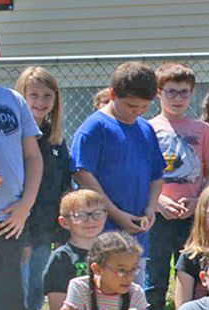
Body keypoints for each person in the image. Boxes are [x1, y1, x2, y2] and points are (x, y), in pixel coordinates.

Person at [146, 62, 209, 310]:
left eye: (184, 93)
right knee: (154, 283)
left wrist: (199, 202)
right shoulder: (148, 128)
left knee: (194, 281)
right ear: (158, 93)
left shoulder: (201, 130)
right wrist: (159, 202)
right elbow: (141, 174)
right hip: (158, 217)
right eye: (171, 92)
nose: (177, 98)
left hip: (193, 219)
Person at [14, 65, 71, 310]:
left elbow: (62, 187)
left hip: (48, 238)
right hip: (21, 234)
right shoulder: (16, 137)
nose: (40, 101)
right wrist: (22, 236)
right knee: (21, 305)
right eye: (33, 94)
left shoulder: (55, 139)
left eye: (47, 95)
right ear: (21, 96)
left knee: (34, 303)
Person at [70, 62, 163, 251]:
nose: (137, 112)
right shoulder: (95, 127)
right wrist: (115, 213)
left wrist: (151, 208)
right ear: (112, 94)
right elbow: (82, 173)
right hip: (100, 231)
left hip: (137, 230)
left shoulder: (145, 128)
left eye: (144, 107)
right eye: (131, 106)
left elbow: (157, 174)